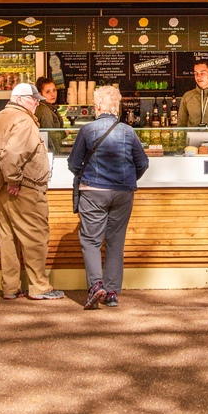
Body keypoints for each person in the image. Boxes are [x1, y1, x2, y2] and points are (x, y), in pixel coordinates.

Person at [0, 82, 64, 301]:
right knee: (35, 235)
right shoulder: (23, 120)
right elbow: (14, 153)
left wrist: (2, 174)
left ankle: (11, 287)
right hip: (23, 188)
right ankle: (39, 287)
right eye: (33, 99)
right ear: (20, 99)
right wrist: (13, 178)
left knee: (8, 238)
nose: (36, 103)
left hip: (0, 187)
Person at [67, 84, 149, 310]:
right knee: (115, 242)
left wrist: (89, 175)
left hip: (93, 192)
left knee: (91, 241)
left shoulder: (87, 130)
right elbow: (143, 164)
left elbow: (74, 164)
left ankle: (96, 286)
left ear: (98, 106)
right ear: (117, 107)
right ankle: (112, 292)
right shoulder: (128, 131)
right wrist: (127, 179)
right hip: (123, 193)